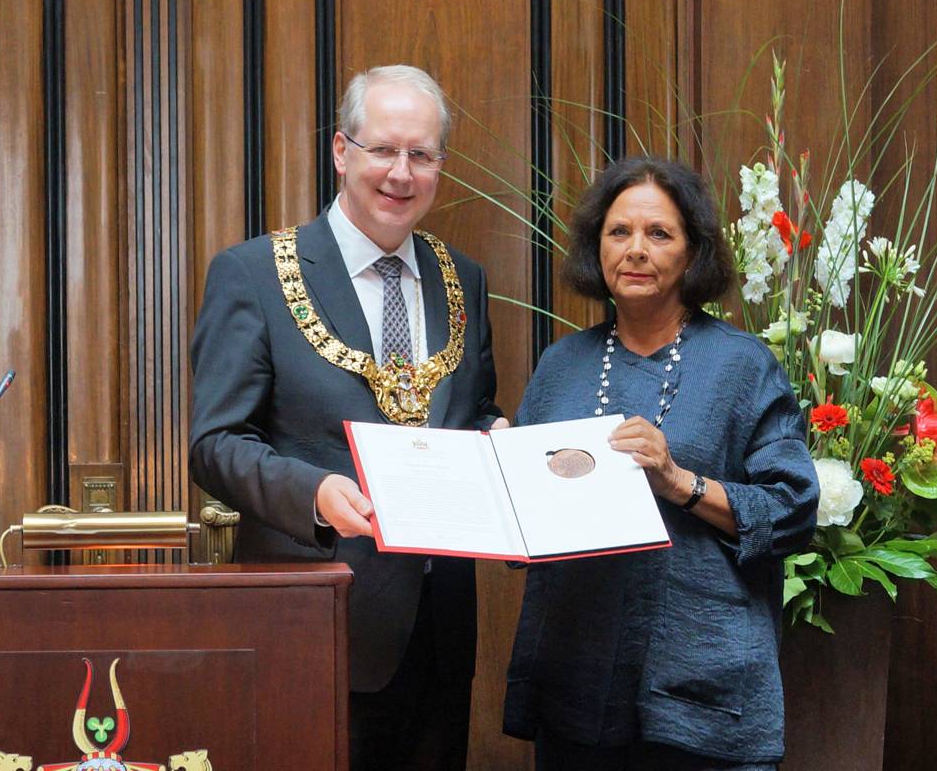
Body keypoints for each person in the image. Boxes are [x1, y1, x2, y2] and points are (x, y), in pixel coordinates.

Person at [190, 64, 506, 771]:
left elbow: (472, 409)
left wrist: (497, 438)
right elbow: (214, 444)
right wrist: (313, 496)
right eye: (383, 150)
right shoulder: (255, 273)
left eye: (421, 155)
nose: (401, 173)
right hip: (312, 617)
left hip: (440, 623)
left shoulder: (463, 278)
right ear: (341, 151)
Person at [502, 156, 819, 770]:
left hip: (703, 687)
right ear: (597, 249)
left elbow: (792, 512)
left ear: (693, 253)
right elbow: (531, 527)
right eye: (619, 233)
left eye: (659, 234)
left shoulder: (742, 365)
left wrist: (678, 482)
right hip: (577, 681)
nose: (636, 250)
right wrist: (503, 479)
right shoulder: (560, 365)